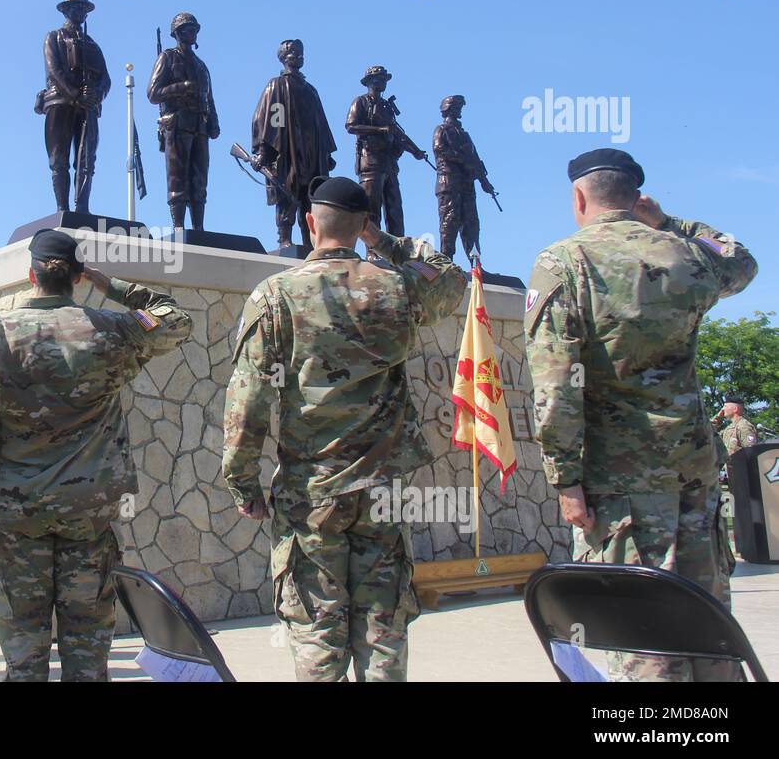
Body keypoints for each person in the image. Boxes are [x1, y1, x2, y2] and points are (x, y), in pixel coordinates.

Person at [524, 149, 757, 681]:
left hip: (621, 483)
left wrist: (566, 479)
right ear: (636, 197)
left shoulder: (565, 262)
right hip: (693, 471)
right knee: (709, 623)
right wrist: (670, 222)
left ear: (578, 197)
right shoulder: (682, 254)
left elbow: (555, 385)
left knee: (644, 635)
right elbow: (741, 261)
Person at [222, 176, 466, 681]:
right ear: (360, 227)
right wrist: (385, 242)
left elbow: (249, 399)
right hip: (382, 491)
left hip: (312, 494)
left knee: (317, 629)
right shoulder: (397, 287)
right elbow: (451, 281)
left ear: (311, 224)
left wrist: (242, 481)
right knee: (383, 630)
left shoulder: (275, 296)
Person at [0, 229, 192, 680]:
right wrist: (113, 286)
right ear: (78, 278)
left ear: (31, 276)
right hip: (88, 520)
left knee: (23, 659)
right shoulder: (113, 331)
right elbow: (175, 319)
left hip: (16, 520)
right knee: (88, 658)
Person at [249, 38, 337, 250]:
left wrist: (326, 154)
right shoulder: (277, 85)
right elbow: (270, 120)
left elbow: (321, 124)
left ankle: (310, 241)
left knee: (311, 199)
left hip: (312, 153)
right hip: (288, 151)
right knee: (287, 196)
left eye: (300, 52)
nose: (298, 56)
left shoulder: (311, 91)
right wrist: (264, 150)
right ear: (283, 58)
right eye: (294, 53)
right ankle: (284, 239)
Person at [39, 0, 111, 213]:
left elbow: (106, 79)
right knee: (59, 158)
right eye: (75, 8)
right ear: (65, 11)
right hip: (60, 103)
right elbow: (54, 72)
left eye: (83, 9)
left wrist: (96, 94)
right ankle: (63, 208)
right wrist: (76, 94)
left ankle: (82, 208)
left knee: (86, 160)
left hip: (87, 107)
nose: (79, 12)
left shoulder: (93, 45)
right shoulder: (54, 37)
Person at [147, 12, 219, 230]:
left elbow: (209, 97)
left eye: (195, 29)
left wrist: (214, 121)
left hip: (200, 125)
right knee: (177, 177)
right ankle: (178, 225)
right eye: (188, 29)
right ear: (177, 33)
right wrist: (181, 87)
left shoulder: (201, 66)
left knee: (200, 178)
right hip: (177, 122)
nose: (192, 33)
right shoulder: (167, 58)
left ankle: (199, 227)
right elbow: (153, 93)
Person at [345, 66, 428, 235]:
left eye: (384, 79)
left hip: (389, 163)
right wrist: (380, 130)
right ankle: (373, 249)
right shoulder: (360, 101)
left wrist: (415, 151)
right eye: (378, 79)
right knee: (371, 208)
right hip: (370, 161)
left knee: (395, 209)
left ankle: (398, 252)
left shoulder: (386, 107)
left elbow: (398, 134)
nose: (382, 82)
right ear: (369, 82)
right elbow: (351, 126)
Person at [431, 94, 495, 262]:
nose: (459, 111)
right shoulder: (441, 130)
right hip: (449, 183)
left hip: (466, 184)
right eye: (456, 108)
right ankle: (446, 261)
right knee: (450, 221)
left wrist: (484, 182)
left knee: (471, 223)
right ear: (448, 110)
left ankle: (475, 263)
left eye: (459, 108)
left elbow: (476, 160)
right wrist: (462, 159)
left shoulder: (464, 135)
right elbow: (439, 150)